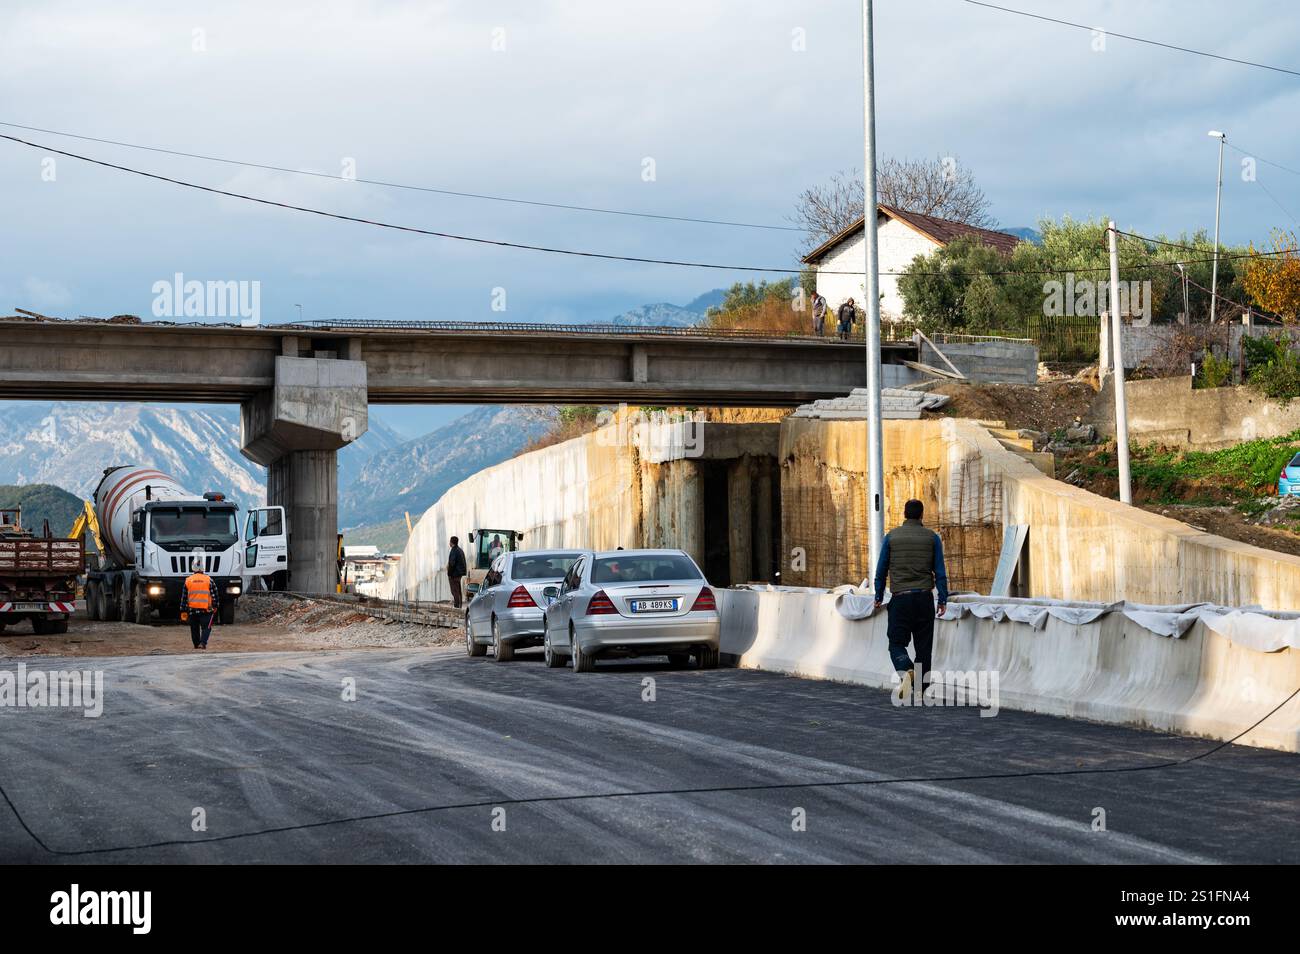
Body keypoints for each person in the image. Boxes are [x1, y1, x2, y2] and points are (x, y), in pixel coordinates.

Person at [873, 499, 948, 701]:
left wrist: (878, 595)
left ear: (904, 515)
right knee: (924, 647)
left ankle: (905, 668)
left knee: (896, 643)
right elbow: (940, 571)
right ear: (921, 515)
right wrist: (943, 599)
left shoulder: (891, 537)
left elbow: (881, 570)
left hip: (900, 600)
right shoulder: (932, 538)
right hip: (924, 599)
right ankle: (920, 690)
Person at [181, 559, 218, 650]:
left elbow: (184, 597)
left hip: (192, 610)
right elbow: (214, 595)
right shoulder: (209, 580)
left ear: (193, 568)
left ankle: (196, 645)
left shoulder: (188, 580)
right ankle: (203, 643)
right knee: (206, 627)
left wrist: (183, 609)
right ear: (203, 569)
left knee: (194, 628)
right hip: (206, 610)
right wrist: (215, 606)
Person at [447, 535, 468, 608]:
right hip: (459, 573)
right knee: (458, 590)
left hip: (454, 574)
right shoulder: (460, 550)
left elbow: (452, 564)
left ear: (451, 542)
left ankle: (457, 606)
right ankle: (459, 605)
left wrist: (449, 574)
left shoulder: (454, 551)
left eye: (450, 541)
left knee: (454, 590)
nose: (449, 543)